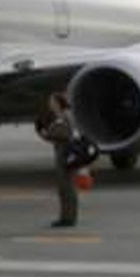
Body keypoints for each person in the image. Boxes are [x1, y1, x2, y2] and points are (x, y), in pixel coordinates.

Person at [33, 92, 78, 227]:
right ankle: (68, 216)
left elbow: (62, 135)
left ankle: (67, 218)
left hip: (64, 153)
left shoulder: (63, 117)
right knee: (67, 188)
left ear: (58, 103)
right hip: (66, 153)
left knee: (66, 188)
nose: (50, 104)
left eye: (52, 102)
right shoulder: (66, 115)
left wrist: (43, 133)